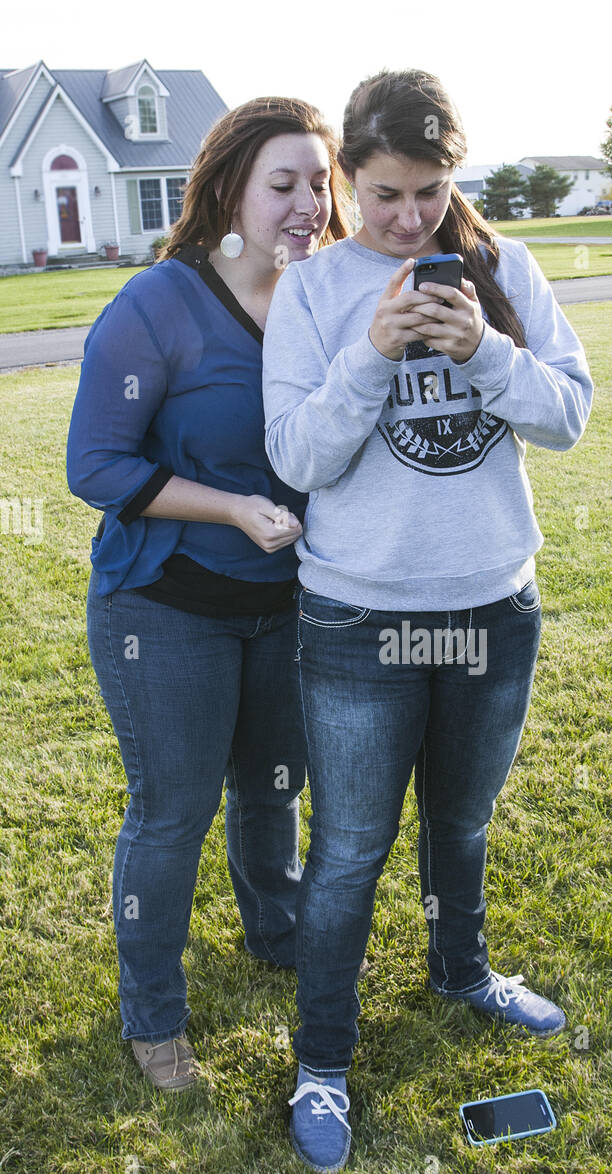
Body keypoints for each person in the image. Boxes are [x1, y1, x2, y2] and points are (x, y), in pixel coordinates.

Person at [262, 69, 593, 1173]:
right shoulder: (310, 293)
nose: (411, 219)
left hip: (492, 607)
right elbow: (297, 458)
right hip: (361, 621)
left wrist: (483, 354)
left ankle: (460, 968)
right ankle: (322, 1061)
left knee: (462, 821)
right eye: (388, 194)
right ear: (349, 178)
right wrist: (371, 355)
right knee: (351, 850)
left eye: (431, 192)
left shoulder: (499, 266)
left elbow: (569, 415)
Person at [67, 97, 349, 1090]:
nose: (309, 203)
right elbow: (95, 466)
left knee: (274, 790)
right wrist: (231, 509)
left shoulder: (324, 299)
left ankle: (275, 935)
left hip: (286, 605)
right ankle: (153, 1017)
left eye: (320, 180)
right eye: (284, 184)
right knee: (171, 814)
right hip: (166, 606)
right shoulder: (157, 306)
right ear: (229, 187)